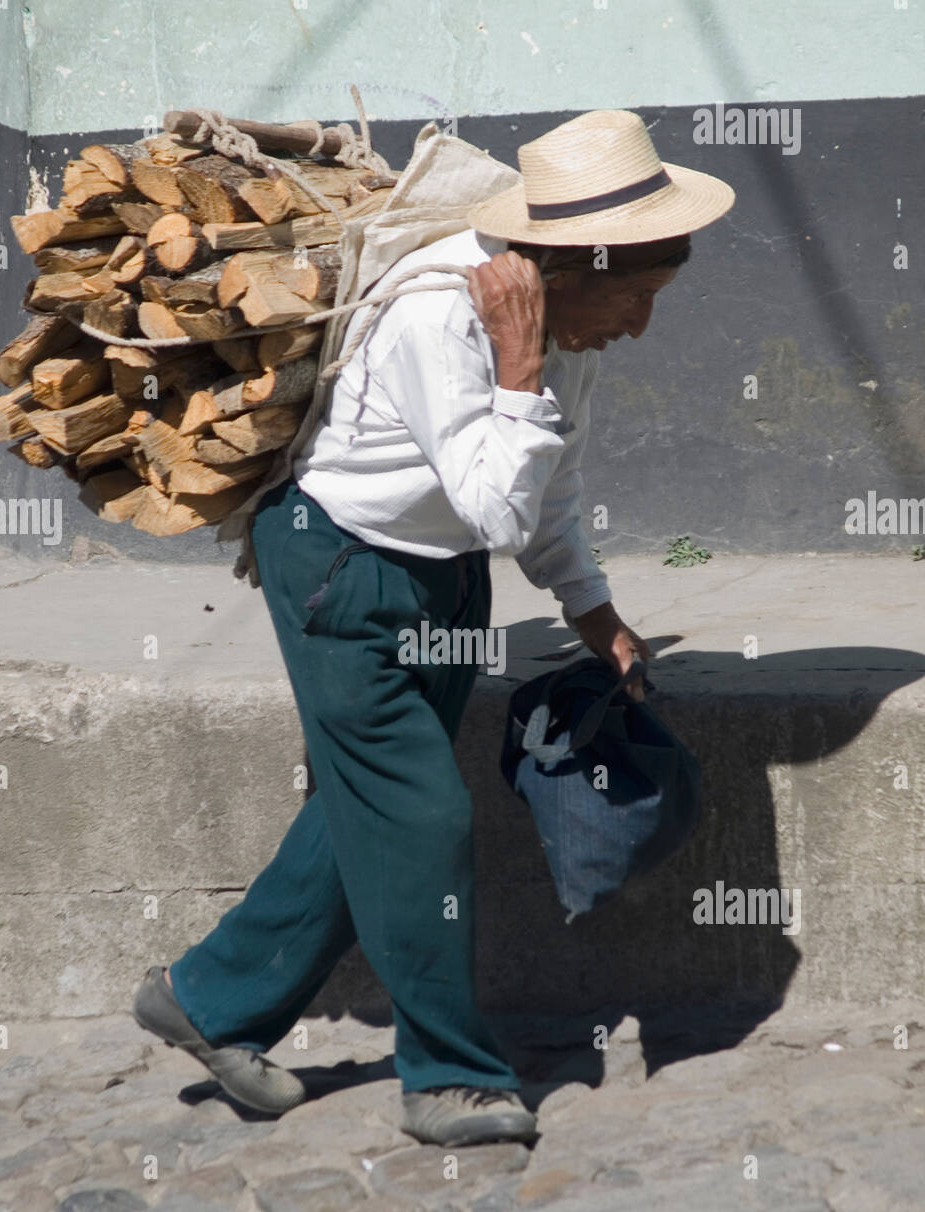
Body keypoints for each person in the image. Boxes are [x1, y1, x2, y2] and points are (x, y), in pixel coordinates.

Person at [132, 109, 735, 1147]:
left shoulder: (560, 329)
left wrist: (591, 607)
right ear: (565, 263)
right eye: (633, 296)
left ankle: (207, 997)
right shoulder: (444, 319)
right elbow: (497, 503)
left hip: (445, 584)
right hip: (341, 575)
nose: (638, 324)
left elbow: (547, 483)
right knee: (420, 819)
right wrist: (515, 368)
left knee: (364, 814)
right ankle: (450, 1076)